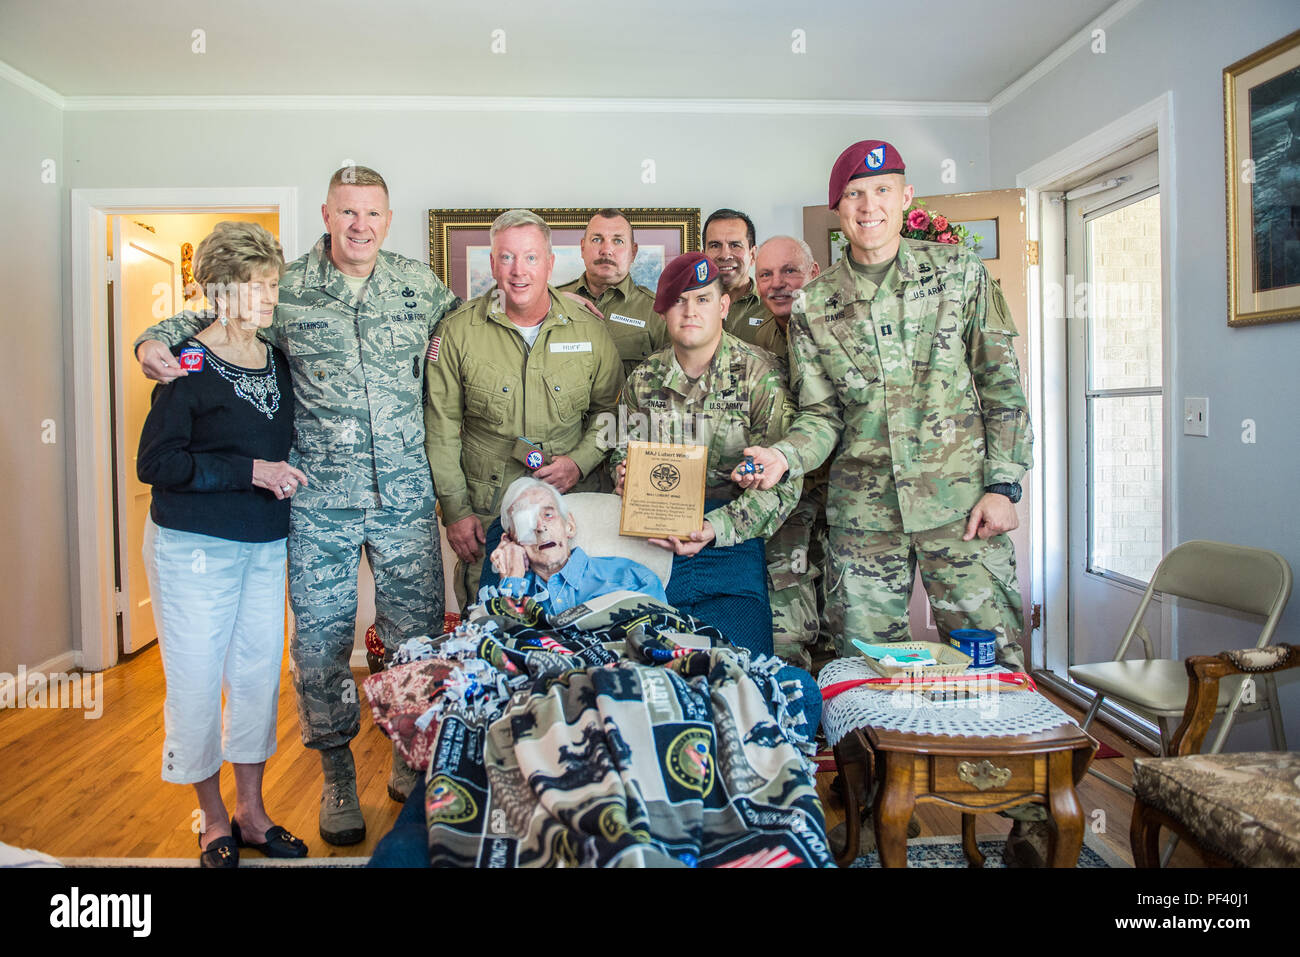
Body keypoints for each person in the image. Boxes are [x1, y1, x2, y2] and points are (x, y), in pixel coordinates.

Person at [134, 166, 461, 846]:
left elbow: (462, 323)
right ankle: (338, 773)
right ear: (327, 213)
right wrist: (154, 339)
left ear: (388, 217)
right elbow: (215, 309)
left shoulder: (418, 283)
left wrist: (445, 341)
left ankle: (408, 756)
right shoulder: (286, 289)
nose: (360, 225)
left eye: (371, 213)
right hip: (320, 502)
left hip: (404, 495)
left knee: (416, 640)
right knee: (319, 648)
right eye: (347, 212)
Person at [738, 140, 1040, 863]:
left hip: (960, 504)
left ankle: (1027, 811)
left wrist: (1005, 485)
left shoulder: (960, 274)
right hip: (864, 515)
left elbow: (1001, 383)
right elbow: (820, 416)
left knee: (992, 651)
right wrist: (785, 454)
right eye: (853, 196)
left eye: (882, 191)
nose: (868, 206)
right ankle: (868, 807)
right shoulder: (814, 302)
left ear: (907, 198)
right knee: (856, 669)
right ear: (838, 213)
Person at [137, 222, 307, 867]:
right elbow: (156, 462)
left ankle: (253, 812)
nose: (269, 296)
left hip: (264, 543)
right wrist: (251, 472)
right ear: (220, 291)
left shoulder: (277, 356)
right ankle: (211, 820)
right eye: (257, 286)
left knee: (259, 677)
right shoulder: (186, 364)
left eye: (273, 283)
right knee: (197, 681)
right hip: (193, 548)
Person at [424, 209, 624, 613]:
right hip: (488, 509)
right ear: (493, 262)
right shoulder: (458, 331)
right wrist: (456, 513)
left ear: (550, 263)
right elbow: (440, 429)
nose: (519, 271)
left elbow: (612, 411)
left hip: (570, 503)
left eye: (531, 257)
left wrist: (579, 463)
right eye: (507, 257)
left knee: (574, 618)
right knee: (492, 619)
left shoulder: (589, 330)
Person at [610, 251, 800, 657]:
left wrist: (715, 529)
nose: (690, 311)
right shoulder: (643, 380)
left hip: (732, 542)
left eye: (703, 299)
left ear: (724, 306)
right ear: (662, 311)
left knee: (739, 667)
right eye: (679, 300)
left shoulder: (760, 376)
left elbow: (783, 483)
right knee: (652, 663)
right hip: (654, 546)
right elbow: (617, 451)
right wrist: (623, 475)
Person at [750, 236, 827, 670]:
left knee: (847, 610)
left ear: (813, 274)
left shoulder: (840, 325)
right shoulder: (760, 335)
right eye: (766, 274)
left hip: (847, 490)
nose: (777, 284)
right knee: (789, 607)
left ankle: (848, 725)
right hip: (792, 492)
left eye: (790, 271)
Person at [481, 477, 667, 613]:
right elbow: (496, 651)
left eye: (548, 515)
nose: (539, 527)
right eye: (525, 521)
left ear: (569, 525)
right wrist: (512, 580)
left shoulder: (632, 578)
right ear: (510, 540)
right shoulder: (502, 592)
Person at [557, 209, 668, 377]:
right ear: (582, 248)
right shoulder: (552, 302)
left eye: (617, 241)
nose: (606, 249)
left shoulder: (658, 312)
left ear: (633, 252)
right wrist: (550, 302)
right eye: (596, 239)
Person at [703, 208, 765, 344]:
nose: (724, 255)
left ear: (753, 255)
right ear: (703, 255)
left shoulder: (772, 307)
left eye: (735, 245)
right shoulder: (688, 307)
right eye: (715, 245)